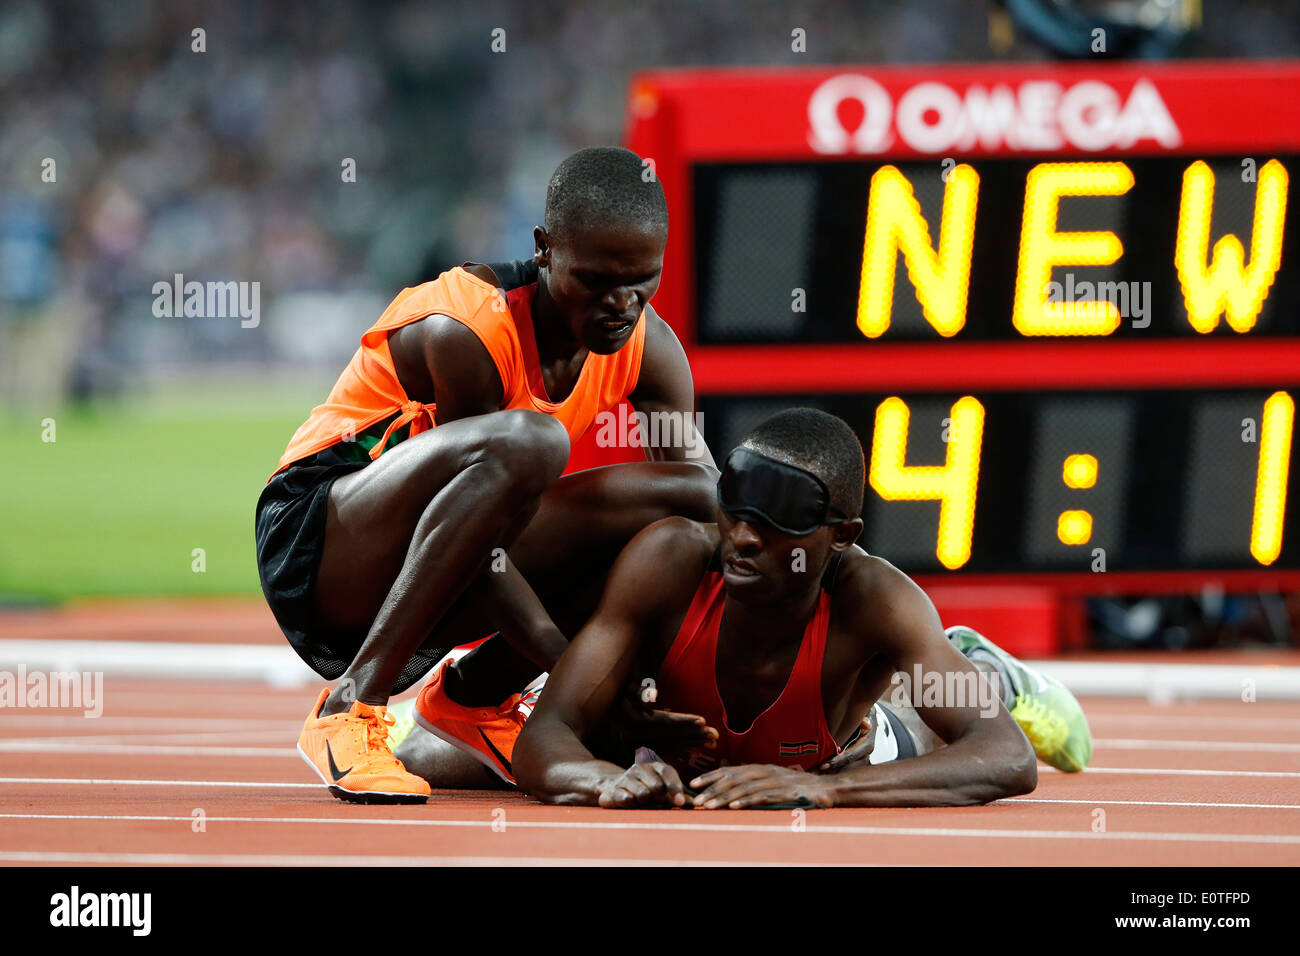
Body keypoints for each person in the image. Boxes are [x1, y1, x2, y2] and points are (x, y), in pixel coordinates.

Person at [255, 147, 716, 803]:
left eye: (642, 279)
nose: (621, 303)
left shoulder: (651, 350)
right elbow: (480, 548)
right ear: (545, 248)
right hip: (322, 543)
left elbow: (715, 518)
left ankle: (475, 700)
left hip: (450, 550)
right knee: (531, 443)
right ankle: (348, 709)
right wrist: (579, 677)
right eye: (596, 279)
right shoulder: (465, 329)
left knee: (690, 503)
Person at [512, 408, 1093, 809]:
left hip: (844, 754)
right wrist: (604, 782)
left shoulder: (877, 600)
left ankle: (991, 671)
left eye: (773, 527)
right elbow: (546, 734)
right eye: (735, 512)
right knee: (435, 760)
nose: (742, 538)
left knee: (926, 719)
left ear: (842, 535)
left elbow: (1006, 757)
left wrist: (826, 791)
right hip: (683, 759)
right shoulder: (669, 560)